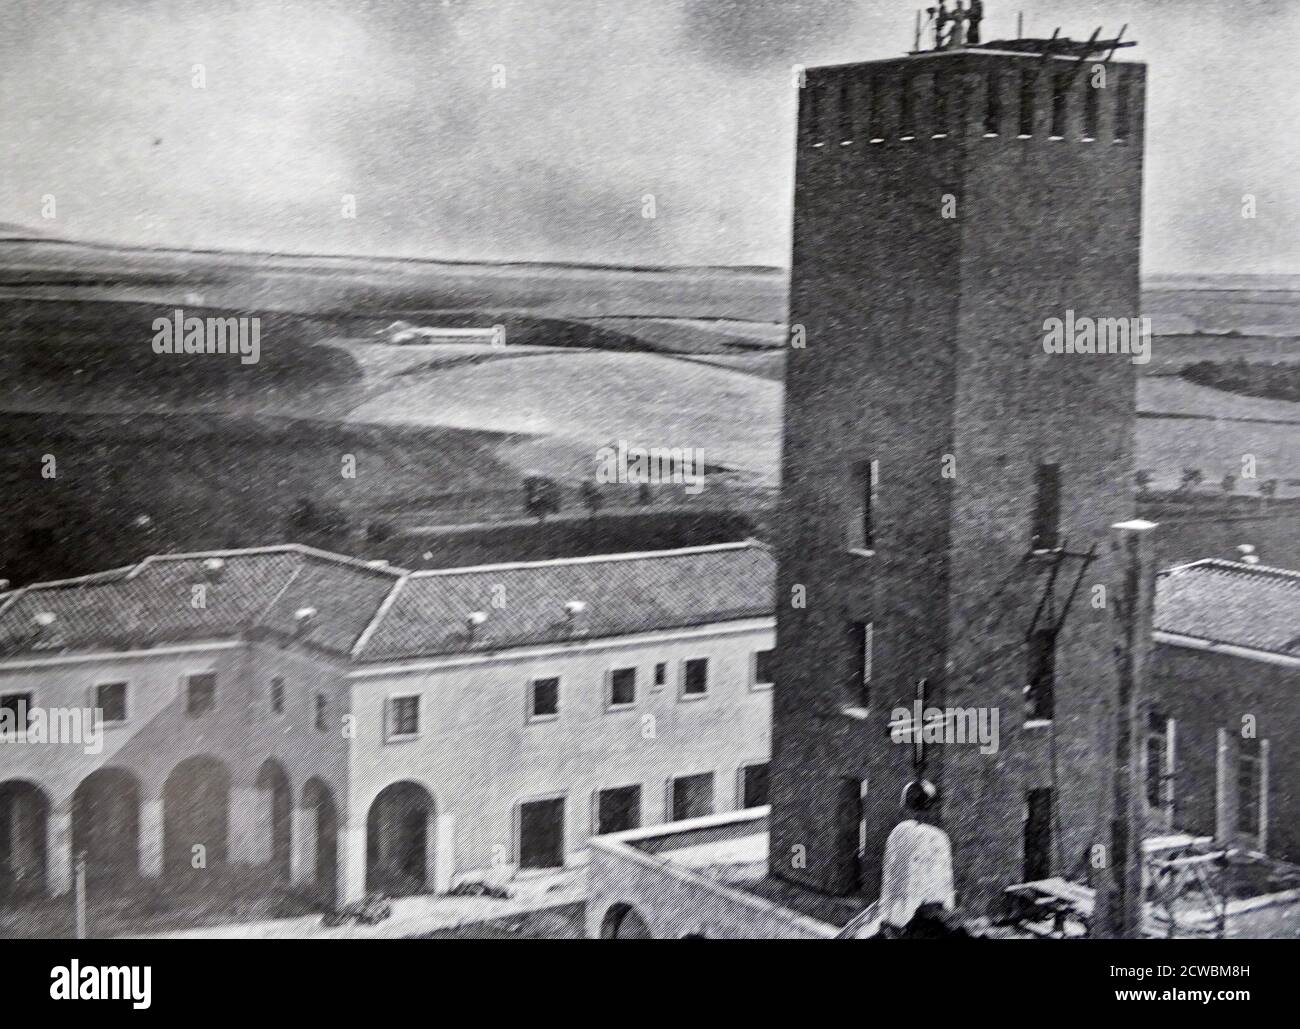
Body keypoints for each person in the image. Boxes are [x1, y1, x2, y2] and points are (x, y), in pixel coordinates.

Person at [878, 779, 957, 934]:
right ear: (931, 807)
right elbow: (942, 883)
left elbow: (888, 876)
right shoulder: (938, 838)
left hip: (894, 916)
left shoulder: (897, 833)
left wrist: (886, 912)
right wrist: (947, 908)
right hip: (920, 921)